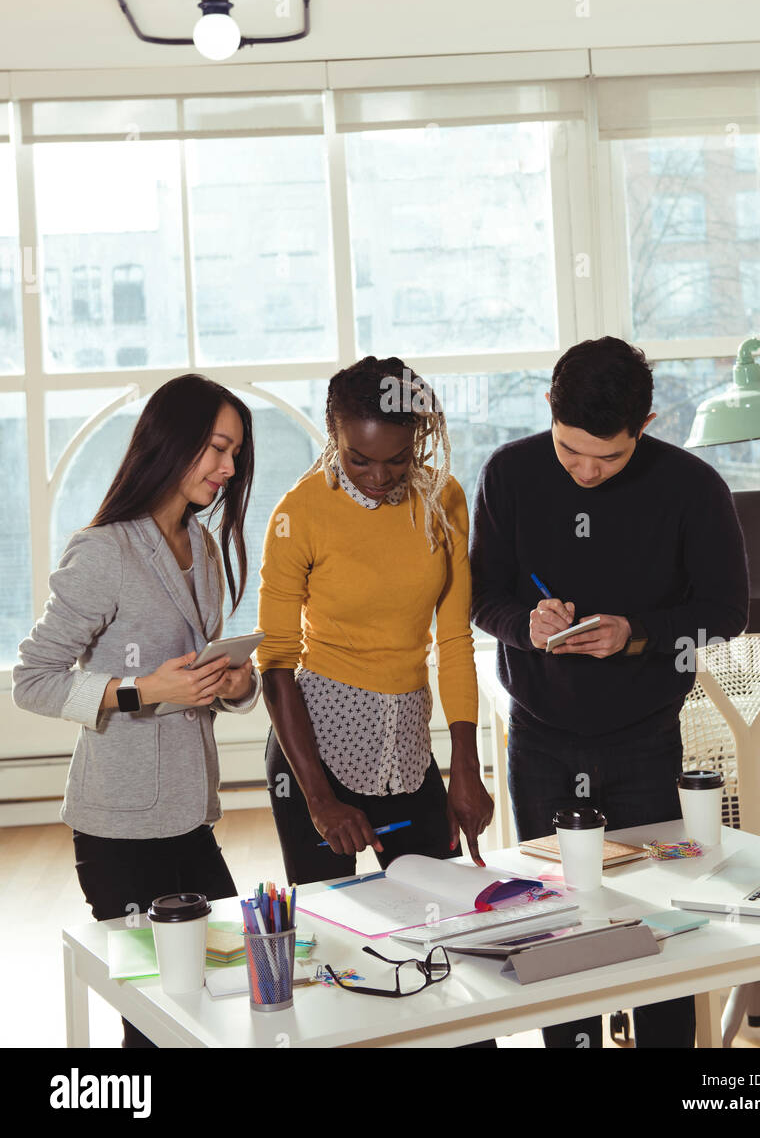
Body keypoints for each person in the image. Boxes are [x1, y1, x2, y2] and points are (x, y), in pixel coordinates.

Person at [469, 336, 749, 1049]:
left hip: (646, 738)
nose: (587, 471)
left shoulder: (690, 486)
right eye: (570, 453)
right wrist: (525, 626)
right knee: (554, 931)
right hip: (537, 737)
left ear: (645, 424)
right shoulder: (509, 473)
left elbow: (726, 613)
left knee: (661, 928)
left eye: (610, 457)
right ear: (547, 412)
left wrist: (636, 634)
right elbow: (483, 597)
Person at [13, 374, 261, 1049]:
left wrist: (234, 680)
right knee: (158, 1020)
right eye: (216, 448)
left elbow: (203, 677)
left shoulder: (202, 547)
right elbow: (32, 681)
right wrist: (144, 690)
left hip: (189, 814)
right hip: (119, 828)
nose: (227, 468)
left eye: (235, 454)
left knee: (212, 999)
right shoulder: (105, 552)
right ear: (170, 442)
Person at [257, 355, 494, 888]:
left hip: (410, 747)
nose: (380, 477)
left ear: (419, 439)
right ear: (333, 434)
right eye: (359, 460)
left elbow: (455, 640)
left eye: (398, 459)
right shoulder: (299, 514)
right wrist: (318, 799)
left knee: (440, 912)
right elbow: (275, 662)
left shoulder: (444, 499)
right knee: (330, 923)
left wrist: (465, 766)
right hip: (314, 751)